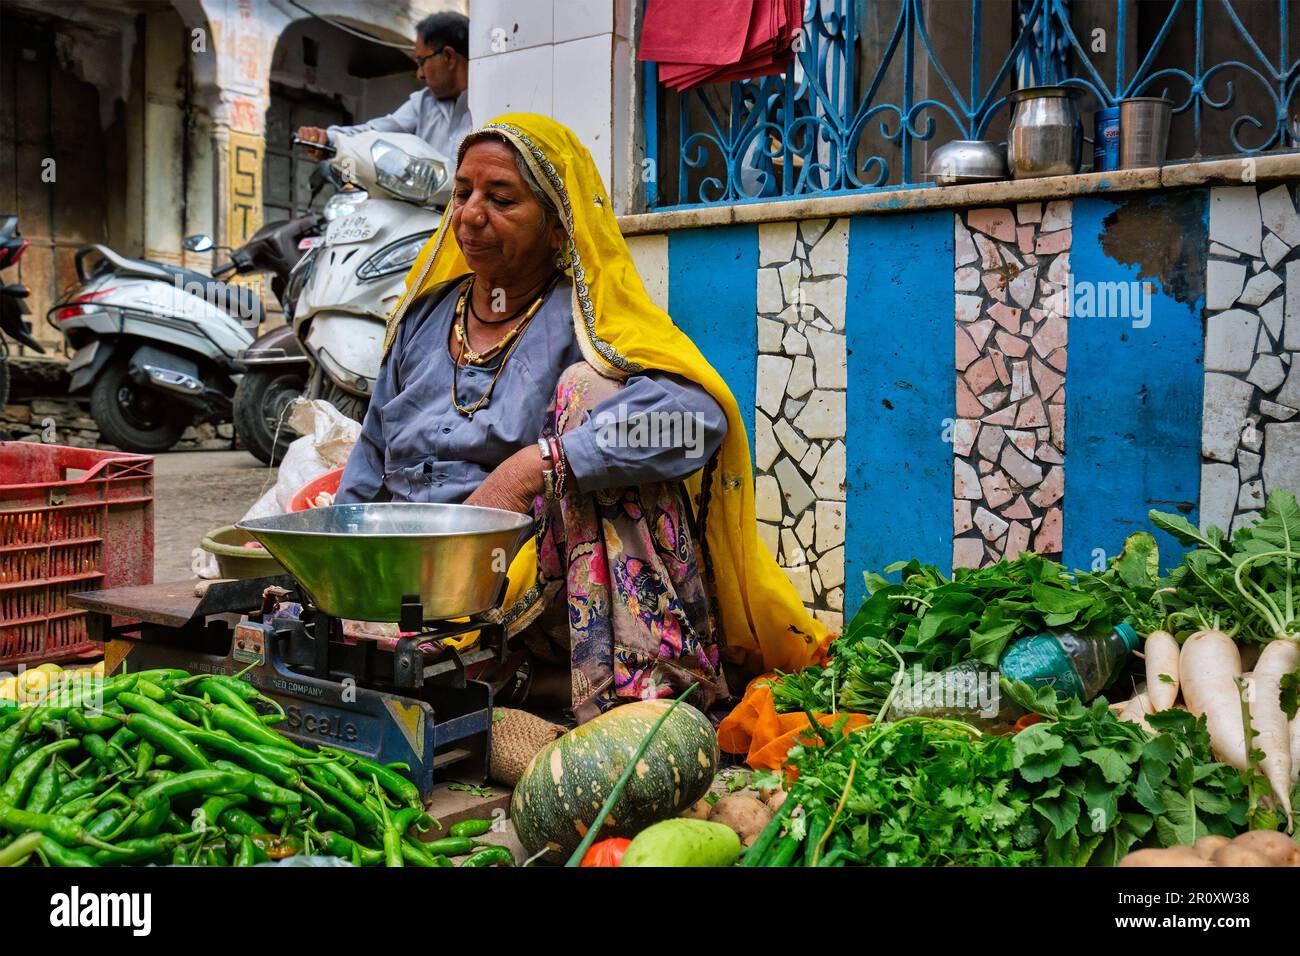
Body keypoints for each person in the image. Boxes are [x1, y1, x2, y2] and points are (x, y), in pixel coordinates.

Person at [335, 114, 828, 723]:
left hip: (529, 579)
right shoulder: (422, 317)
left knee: (589, 394)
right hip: (416, 578)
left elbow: (694, 419)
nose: (470, 214)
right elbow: (370, 459)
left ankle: (637, 686)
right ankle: (516, 681)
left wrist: (535, 465)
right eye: (462, 193)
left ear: (555, 223)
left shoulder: (591, 323)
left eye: (501, 198)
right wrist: (335, 553)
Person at [296, 12, 471, 162]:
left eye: (422, 62)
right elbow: (376, 132)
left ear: (448, 57)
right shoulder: (424, 103)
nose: (420, 74)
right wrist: (327, 139)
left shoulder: (492, 104)